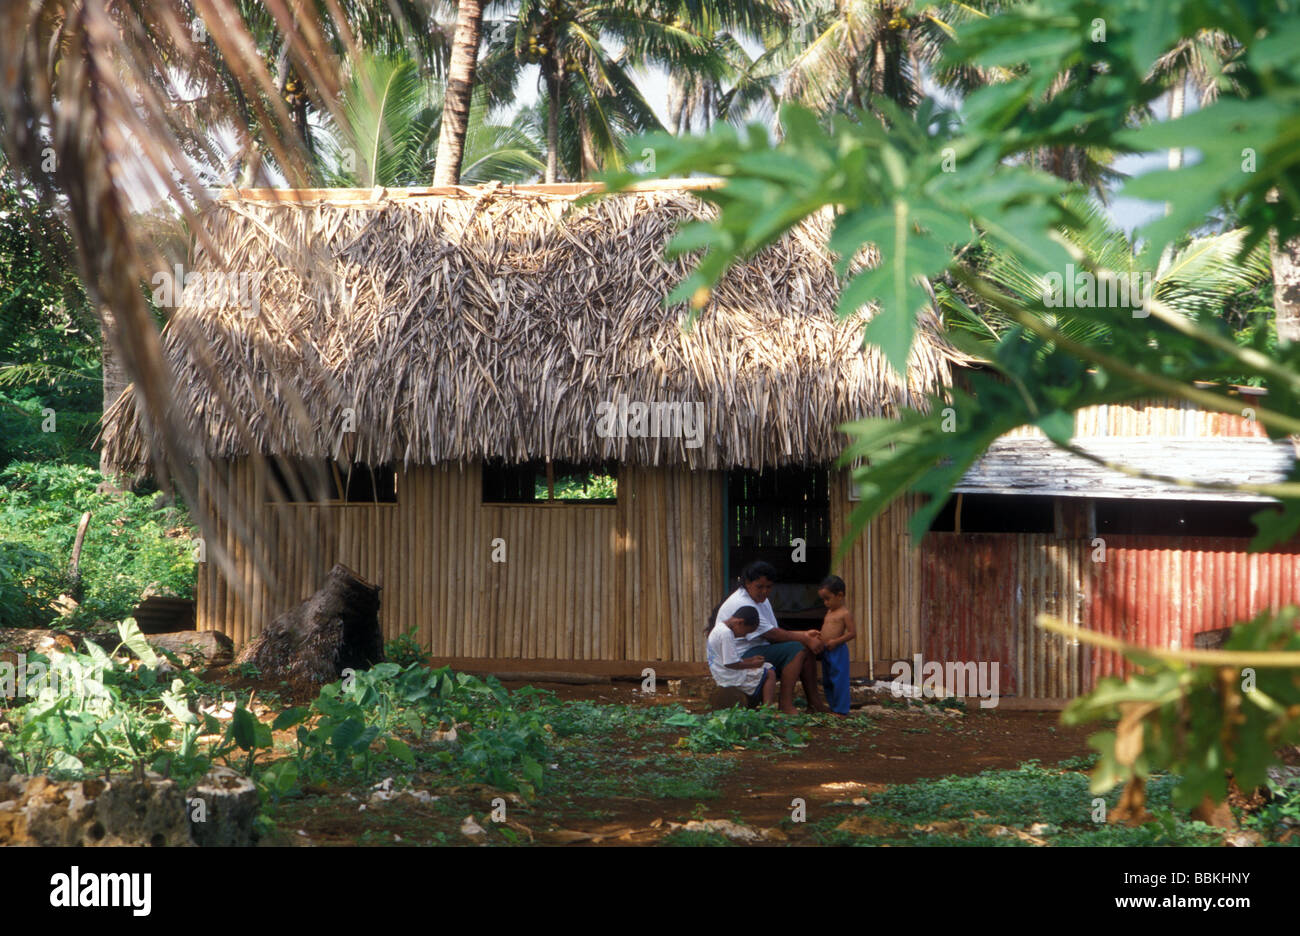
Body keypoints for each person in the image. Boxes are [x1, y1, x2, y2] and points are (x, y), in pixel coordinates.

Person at [712, 561, 829, 715]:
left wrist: (805, 634)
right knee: (798, 649)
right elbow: (773, 634)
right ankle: (785, 705)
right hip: (740, 655)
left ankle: (815, 704)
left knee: (805, 649)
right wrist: (805, 637)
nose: (764, 591)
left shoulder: (761, 600)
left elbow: (774, 630)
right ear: (748, 583)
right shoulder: (742, 602)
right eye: (759, 586)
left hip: (755, 648)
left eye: (768, 587)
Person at [705, 606, 777, 707]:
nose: (744, 636)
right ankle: (767, 709)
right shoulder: (726, 634)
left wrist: (751, 659)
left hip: (721, 673)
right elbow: (730, 663)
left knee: (766, 667)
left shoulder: (719, 628)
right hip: (729, 677)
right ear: (740, 623)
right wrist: (753, 663)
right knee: (770, 672)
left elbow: (729, 659)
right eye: (746, 632)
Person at [817, 575, 856, 716]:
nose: (825, 603)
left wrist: (836, 641)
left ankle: (841, 710)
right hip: (826, 650)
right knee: (827, 679)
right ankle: (833, 706)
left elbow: (852, 633)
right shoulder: (829, 612)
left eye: (827, 598)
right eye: (823, 599)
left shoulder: (844, 613)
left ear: (840, 595)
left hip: (838, 650)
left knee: (839, 680)